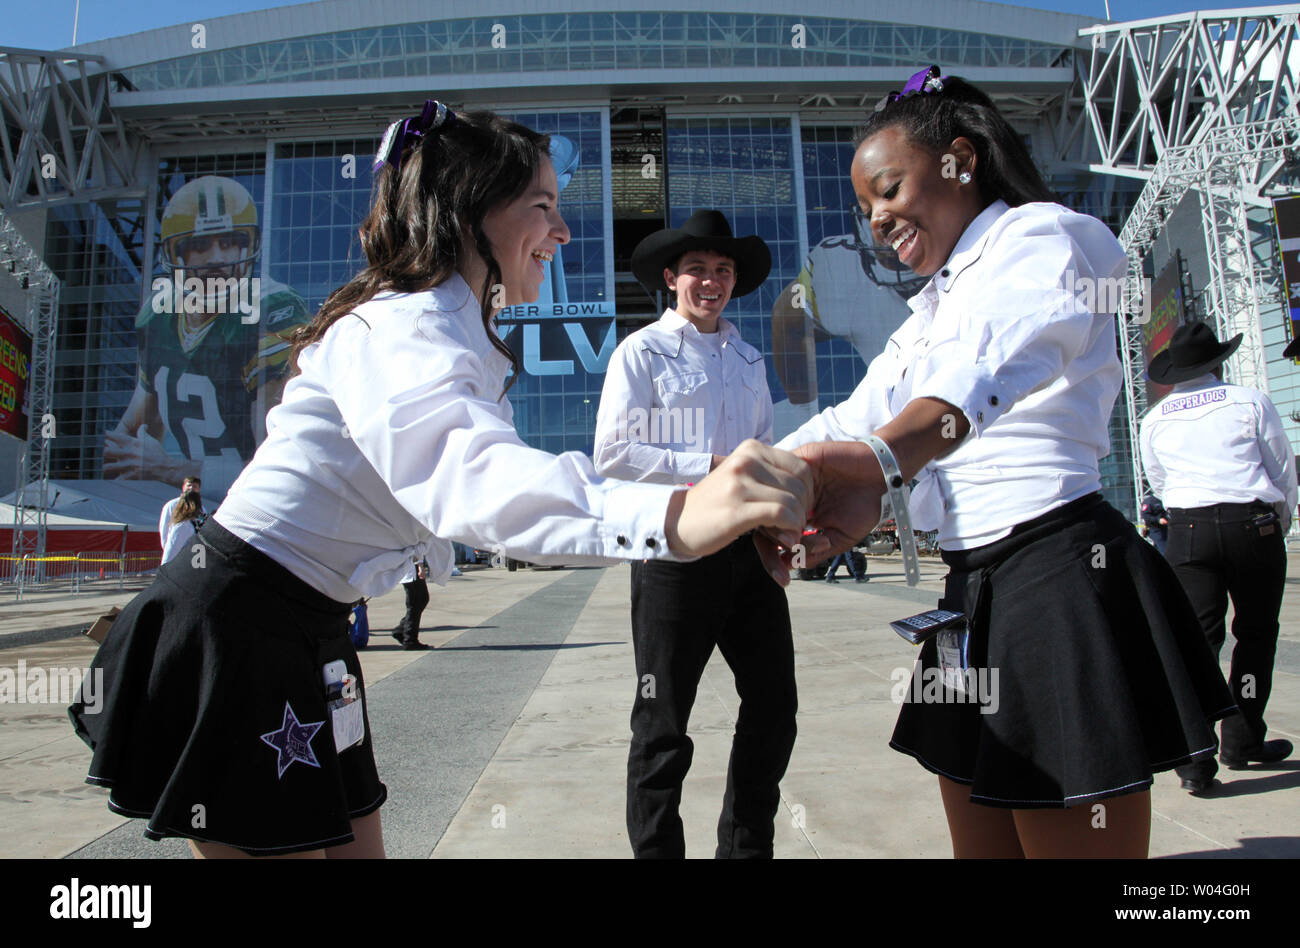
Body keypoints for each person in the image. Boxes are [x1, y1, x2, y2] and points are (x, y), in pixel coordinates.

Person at [68, 103, 815, 860]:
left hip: (312, 628)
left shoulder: (457, 328)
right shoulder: (404, 324)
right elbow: (469, 478)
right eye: (544, 208)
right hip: (240, 623)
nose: (562, 233)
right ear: (472, 215)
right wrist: (682, 513)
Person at [768, 66, 1234, 858]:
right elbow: (857, 411)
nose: (878, 220)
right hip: (970, 586)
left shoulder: (1049, 237)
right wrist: (732, 490)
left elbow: (983, 372)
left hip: (1054, 572)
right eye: (864, 209)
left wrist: (883, 460)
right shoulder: (932, 309)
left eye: (889, 190)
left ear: (960, 159)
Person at [593, 208, 797, 859]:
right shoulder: (641, 352)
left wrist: (775, 524)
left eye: (723, 270)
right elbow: (613, 454)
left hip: (747, 556)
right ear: (670, 277)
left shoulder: (747, 357)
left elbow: (763, 451)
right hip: (674, 552)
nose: (712, 281)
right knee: (662, 725)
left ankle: (744, 850)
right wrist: (718, 468)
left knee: (775, 708)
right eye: (699, 270)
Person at [1138, 322, 1296, 794]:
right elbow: (1282, 469)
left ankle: (1194, 756)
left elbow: (1159, 482)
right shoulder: (1249, 401)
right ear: (1218, 362)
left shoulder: (1156, 417)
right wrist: (1277, 524)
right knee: (1254, 634)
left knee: (1196, 641)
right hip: (1252, 525)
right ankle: (1243, 740)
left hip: (1188, 530)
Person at [103, 176, 311, 499]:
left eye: (229, 242)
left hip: (260, 516)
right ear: (176, 256)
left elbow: (278, 469)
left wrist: (168, 469)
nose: (217, 258)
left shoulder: (271, 311)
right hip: (196, 508)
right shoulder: (158, 316)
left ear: (247, 246)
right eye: (199, 246)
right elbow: (133, 434)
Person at [770, 228, 920, 434]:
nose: (881, 217)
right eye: (868, 209)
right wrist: (804, 407)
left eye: (891, 194)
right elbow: (786, 316)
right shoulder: (841, 269)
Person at [393, 556, 431, 650]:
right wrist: (420, 566)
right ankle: (410, 639)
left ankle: (402, 630)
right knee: (416, 602)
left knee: (420, 600)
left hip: (408, 566)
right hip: (411, 567)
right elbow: (415, 546)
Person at [158, 475, 204, 553]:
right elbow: (164, 528)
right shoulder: (172, 505)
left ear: (198, 489)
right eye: (189, 485)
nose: (191, 488)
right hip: (175, 548)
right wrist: (167, 548)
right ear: (183, 487)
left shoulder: (202, 509)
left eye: (195, 486)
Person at [160, 488, 205, 566]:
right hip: (195, 568)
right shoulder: (199, 524)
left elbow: (171, 552)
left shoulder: (182, 526)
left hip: (186, 568)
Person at [1139, 492, 1169, 556]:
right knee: (1165, 551)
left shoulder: (1166, 499)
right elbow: (1145, 516)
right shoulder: (1149, 501)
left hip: (1166, 528)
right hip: (1155, 529)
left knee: (1158, 550)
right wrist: (1158, 520)